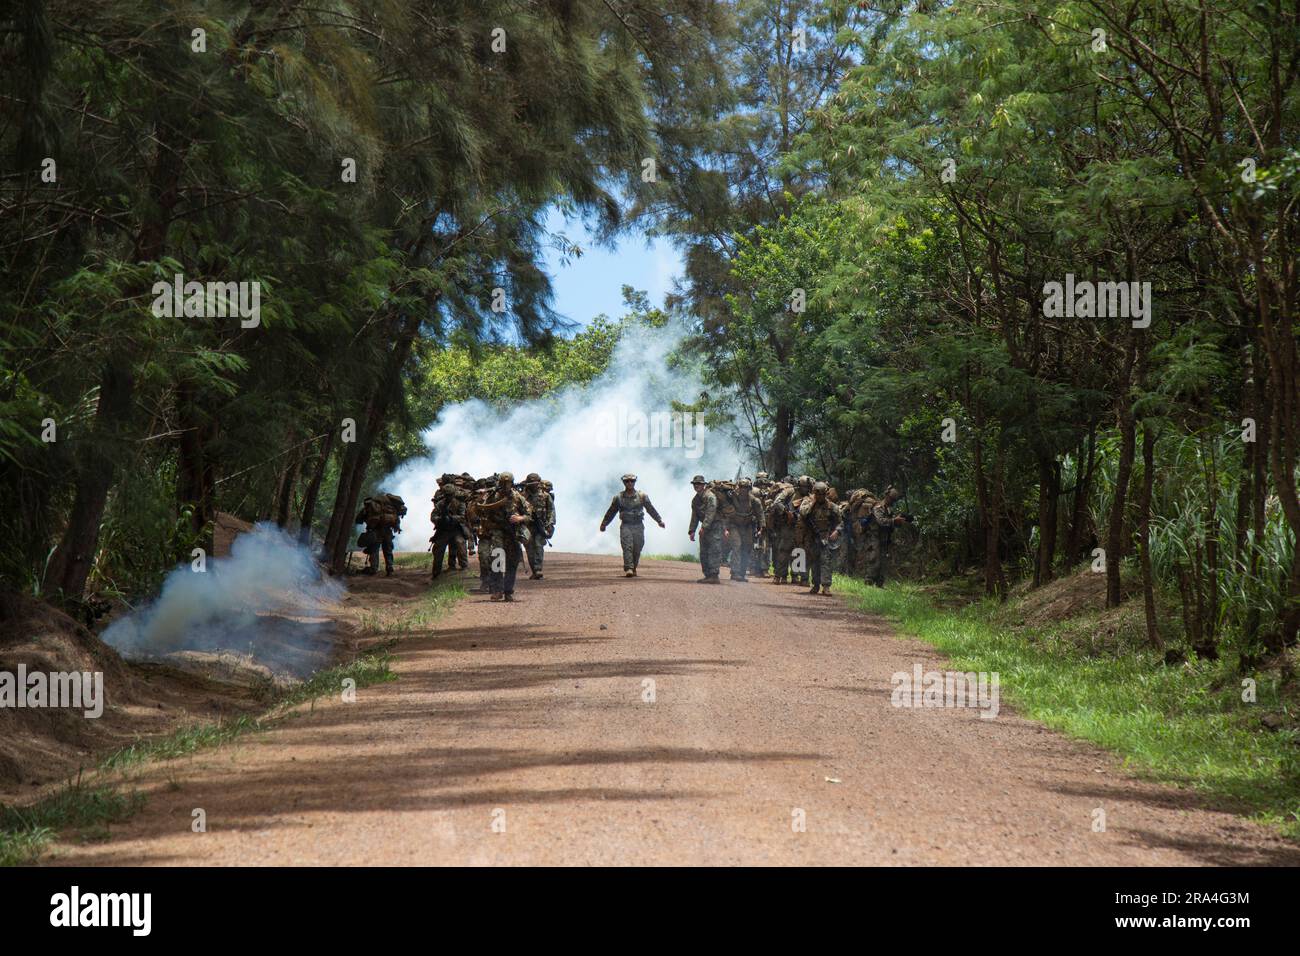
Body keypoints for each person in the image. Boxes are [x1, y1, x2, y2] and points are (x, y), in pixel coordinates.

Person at [477, 471, 532, 601]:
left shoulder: (518, 497)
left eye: (508, 483)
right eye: (503, 483)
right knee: (496, 561)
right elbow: (481, 509)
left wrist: (519, 518)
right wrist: (481, 499)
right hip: (498, 532)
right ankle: (497, 590)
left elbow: (529, 515)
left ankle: (508, 591)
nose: (506, 486)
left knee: (512, 563)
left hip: (512, 533)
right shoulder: (493, 496)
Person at [599, 473, 665, 577]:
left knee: (637, 547)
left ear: (635, 482)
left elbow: (650, 509)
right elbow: (611, 512)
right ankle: (629, 568)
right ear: (624, 483)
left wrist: (659, 520)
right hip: (626, 525)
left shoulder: (642, 496)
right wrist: (604, 524)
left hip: (638, 525)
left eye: (632, 481)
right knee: (627, 546)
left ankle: (633, 567)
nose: (629, 483)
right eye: (627, 481)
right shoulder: (618, 498)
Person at [798, 481, 842, 594]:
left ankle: (826, 586)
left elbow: (841, 523)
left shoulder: (832, 507)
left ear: (825, 494)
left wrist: (837, 531)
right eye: (817, 494)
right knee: (815, 562)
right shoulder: (809, 504)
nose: (820, 496)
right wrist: (812, 504)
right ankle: (816, 585)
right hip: (812, 537)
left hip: (826, 537)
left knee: (826, 561)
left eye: (822, 494)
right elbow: (802, 513)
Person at [863, 486, 907, 587]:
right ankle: (868, 582)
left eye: (894, 500)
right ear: (887, 496)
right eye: (892, 499)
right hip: (874, 537)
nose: (892, 501)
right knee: (874, 559)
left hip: (884, 538)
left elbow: (890, 523)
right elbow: (881, 521)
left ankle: (880, 583)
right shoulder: (878, 507)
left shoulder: (889, 509)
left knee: (883, 561)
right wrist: (893, 521)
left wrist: (898, 522)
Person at [354, 492, 406, 577]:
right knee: (388, 550)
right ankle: (389, 568)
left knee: (374, 550)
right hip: (388, 531)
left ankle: (373, 569)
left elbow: (358, 520)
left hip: (375, 531)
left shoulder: (370, 507)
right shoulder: (391, 507)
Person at [429, 474, 469, 579]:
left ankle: (464, 567)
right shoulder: (440, 504)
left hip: (456, 528)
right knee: (438, 549)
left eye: (450, 495)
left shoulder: (460, 503)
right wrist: (439, 520)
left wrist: (451, 518)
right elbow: (433, 516)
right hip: (444, 530)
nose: (448, 497)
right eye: (447, 495)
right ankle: (436, 573)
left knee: (460, 543)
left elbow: (462, 517)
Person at [726, 478, 766, 581]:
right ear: (739, 487)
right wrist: (725, 528)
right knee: (737, 545)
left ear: (749, 489)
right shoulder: (732, 498)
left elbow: (760, 514)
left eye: (746, 488)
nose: (743, 490)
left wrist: (761, 528)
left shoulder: (754, 500)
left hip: (747, 526)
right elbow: (725, 513)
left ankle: (742, 573)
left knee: (747, 548)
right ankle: (735, 572)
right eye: (742, 487)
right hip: (734, 525)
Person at [688, 475, 723, 584]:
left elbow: (711, 513)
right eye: (695, 484)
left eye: (699, 484)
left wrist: (704, 527)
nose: (696, 486)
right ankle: (708, 575)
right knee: (704, 551)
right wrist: (692, 530)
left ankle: (714, 575)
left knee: (714, 550)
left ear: (703, 485)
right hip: (705, 527)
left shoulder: (710, 496)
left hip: (714, 527)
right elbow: (694, 516)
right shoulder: (695, 500)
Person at [521, 473, 555, 579]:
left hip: (541, 525)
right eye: (531, 484)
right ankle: (534, 570)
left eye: (535, 483)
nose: (533, 486)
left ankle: (538, 568)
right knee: (529, 548)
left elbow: (551, 510)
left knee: (539, 546)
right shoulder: (522, 496)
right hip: (527, 526)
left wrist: (550, 524)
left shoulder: (545, 496)